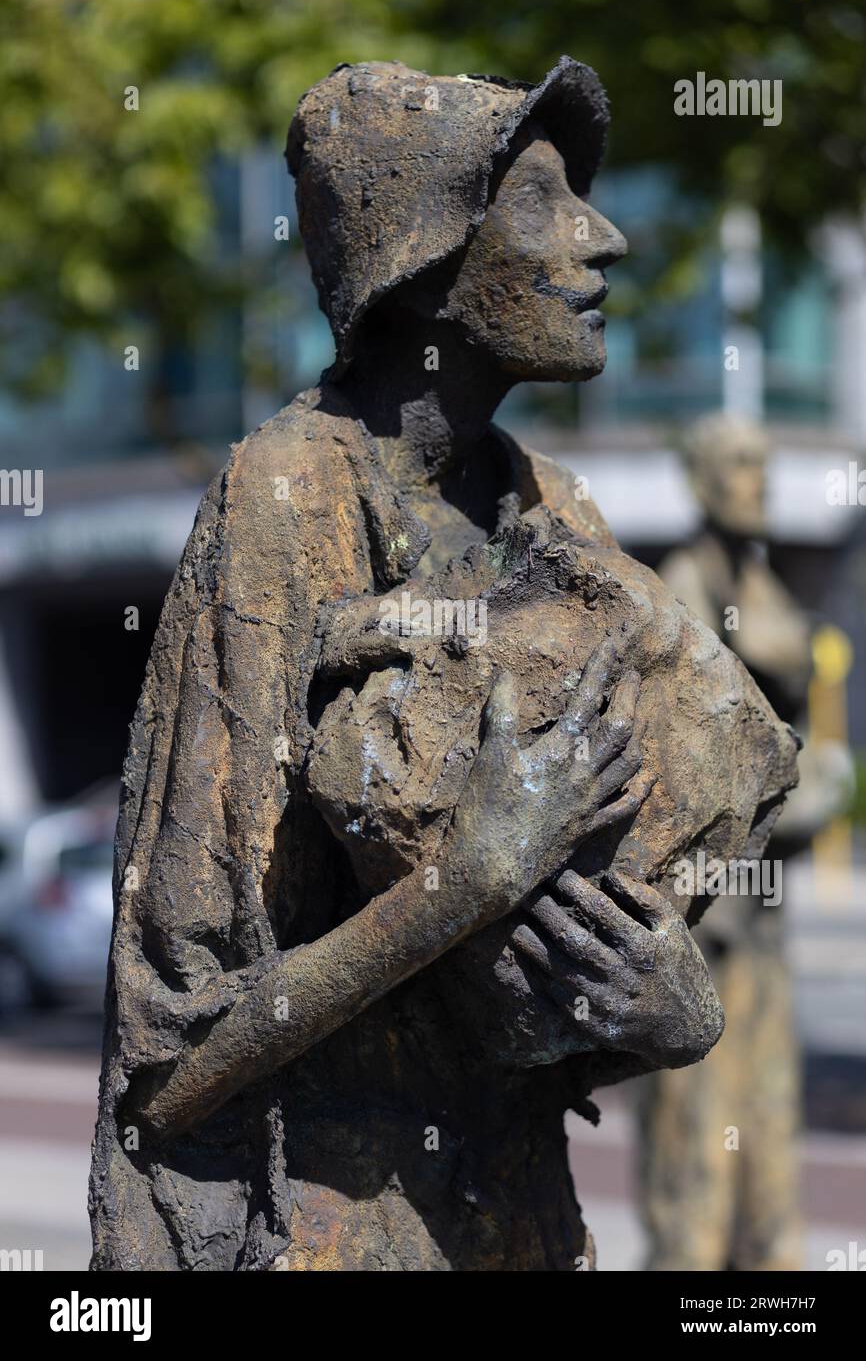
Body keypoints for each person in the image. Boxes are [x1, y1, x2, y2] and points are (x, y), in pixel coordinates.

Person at [89, 62, 795, 1271]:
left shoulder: (551, 509)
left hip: (513, 1220)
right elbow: (171, 1067)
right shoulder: (286, 499)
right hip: (325, 1231)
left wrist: (669, 1009)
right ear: (417, 260)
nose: (603, 239)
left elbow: (547, 995)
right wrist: (459, 885)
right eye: (539, 203)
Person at [638, 412, 851, 1271]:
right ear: (699, 478)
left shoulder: (765, 596)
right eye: (736, 464)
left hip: (763, 923)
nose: (754, 480)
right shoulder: (680, 589)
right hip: (700, 928)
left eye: (763, 464)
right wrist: (796, 799)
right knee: (695, 1182)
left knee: (769, 1169)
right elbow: (684, 764)